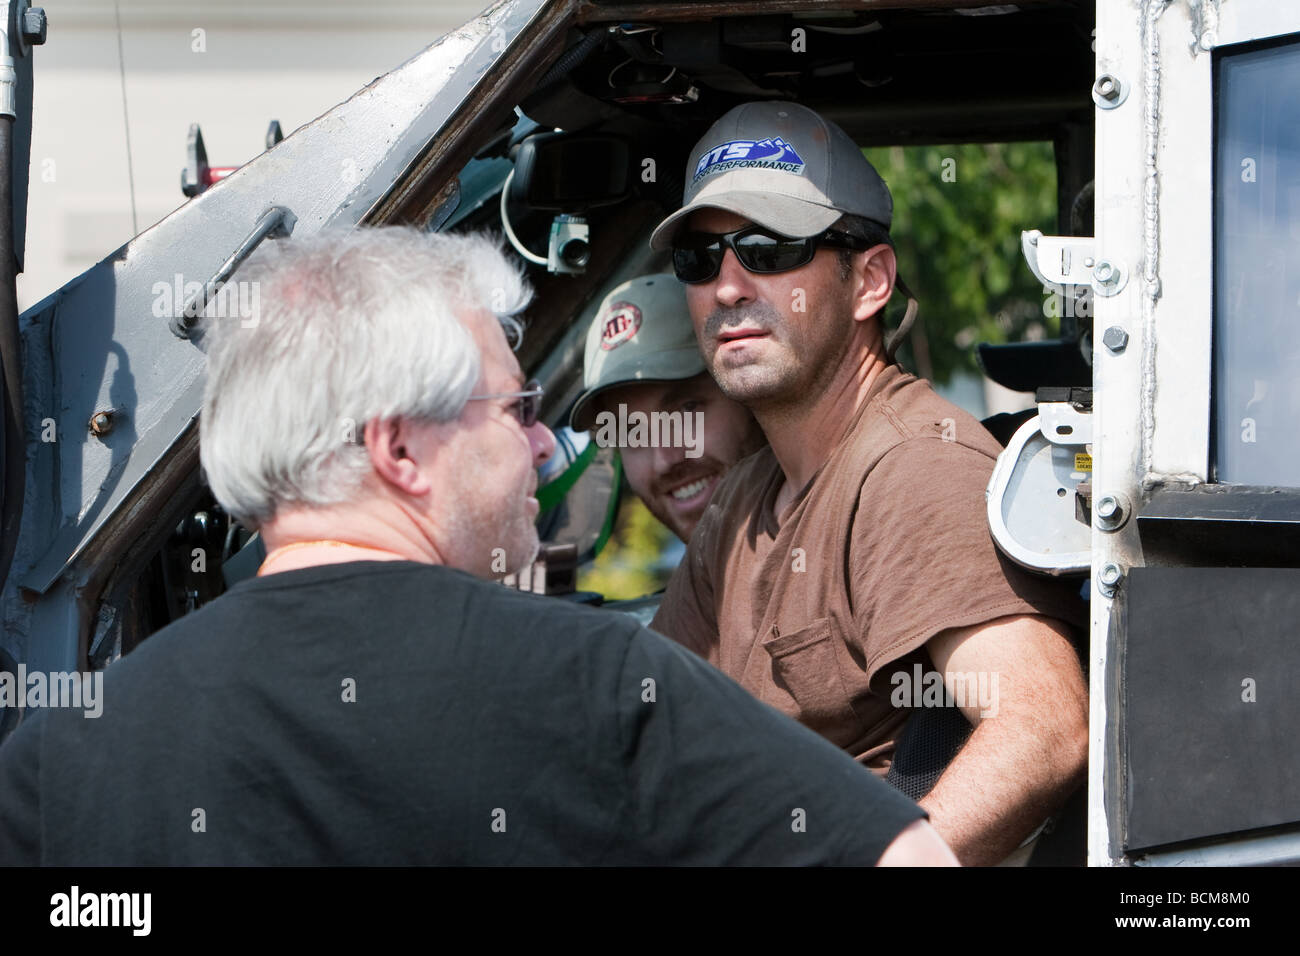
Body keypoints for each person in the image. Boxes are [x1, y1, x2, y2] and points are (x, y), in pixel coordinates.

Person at [0, 226, 954, 866]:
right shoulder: (607, 689)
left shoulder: (54, 763)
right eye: (519, 410)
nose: (547, 449)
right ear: (401, 448)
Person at [647, 101, 1089, 866]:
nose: (726, 287)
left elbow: (1045, 728)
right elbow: (647, 718)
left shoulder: (913, 469)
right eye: (700, 258)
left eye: (768, 249)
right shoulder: (747, 496)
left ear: (868, 281)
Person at [570, 274, 765, 542]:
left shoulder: (832, 554)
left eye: (686, 410)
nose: (666, 459)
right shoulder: (694, 583)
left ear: (751, 398)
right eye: (630, 431)